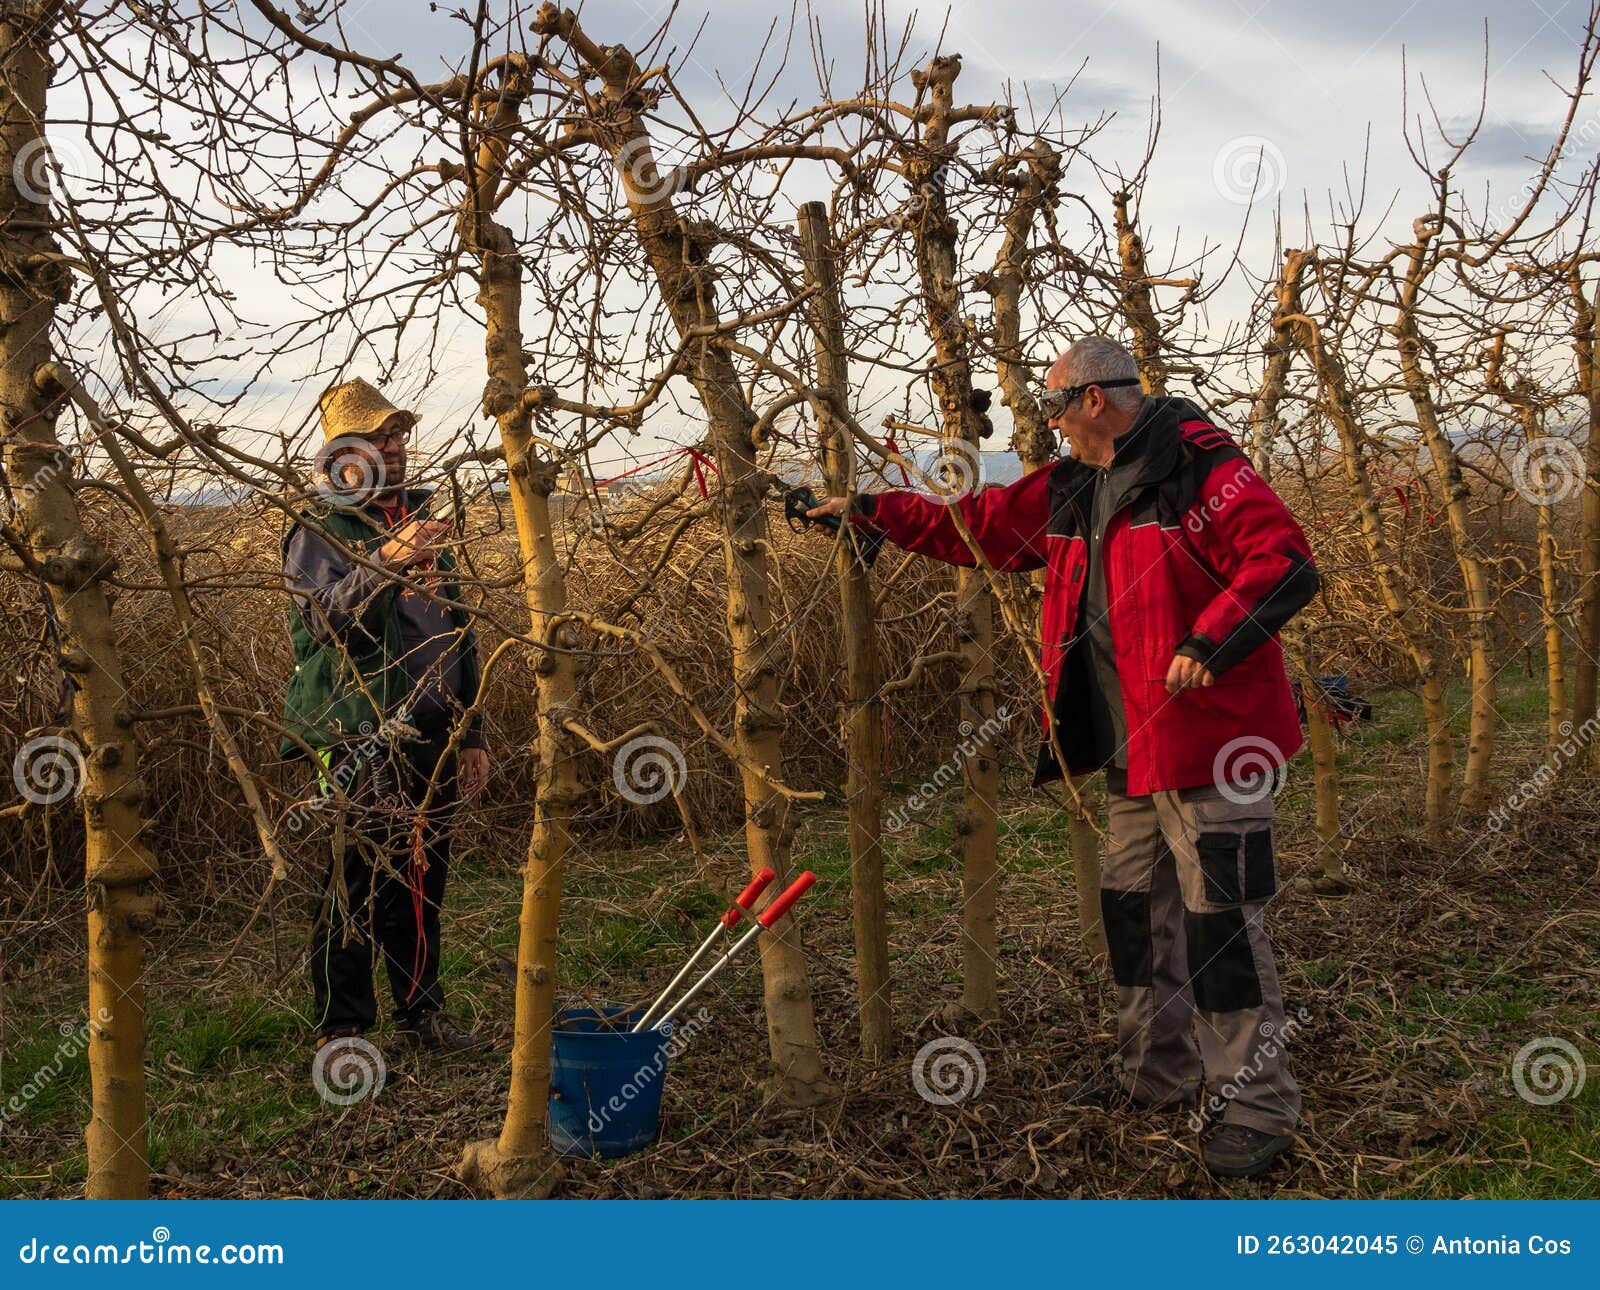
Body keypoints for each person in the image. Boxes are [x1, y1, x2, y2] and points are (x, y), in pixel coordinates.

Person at [807, 336, 1319, 1179]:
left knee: (1220, 926)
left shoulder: (1201, 469)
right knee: (1133, 915)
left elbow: (1284, 561)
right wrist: (870, 511)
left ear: (1093, 400)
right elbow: (977, 527)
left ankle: (1257, 1107)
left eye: (1053, 407)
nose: (1046, 424)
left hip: (1214, 743)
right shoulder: (1073, 487)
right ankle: (1155, 1075)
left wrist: (1209, 642)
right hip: (1129, 749)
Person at [280, 377, 490, 1055]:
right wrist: (388, 560)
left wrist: (472, 732)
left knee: (423, 877)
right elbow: (320, 622)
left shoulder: (419, 519)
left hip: (433, 733)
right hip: (358, 735)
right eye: (378, 436)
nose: (394, 446)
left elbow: (460, 630)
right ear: (343, 453)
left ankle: (422, 1012)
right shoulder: (320, 529)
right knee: (357, 879)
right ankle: (342, 1031)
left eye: (397, 434)